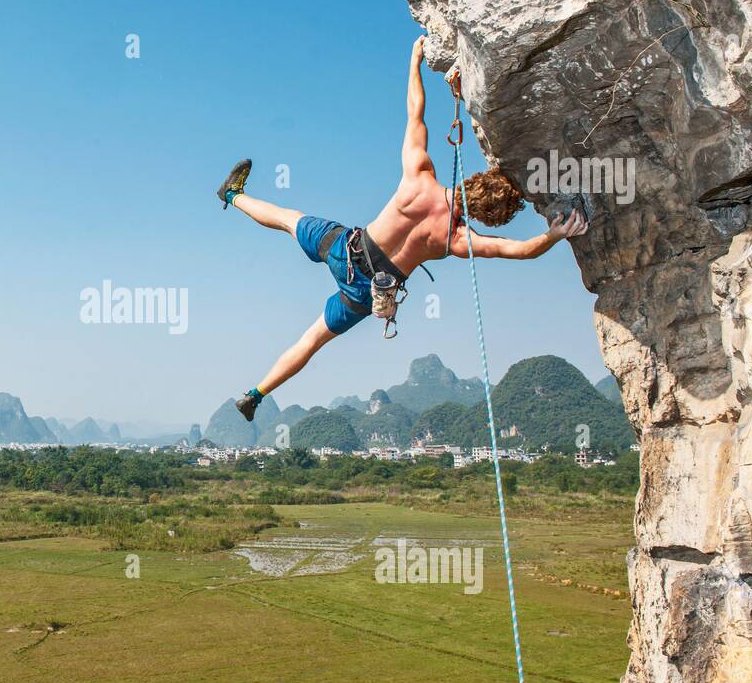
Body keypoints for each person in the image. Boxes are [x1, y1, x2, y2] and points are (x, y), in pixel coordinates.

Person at [218, 35, 589, 421]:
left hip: (346, 249)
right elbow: (521, 250)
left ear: (477, 179)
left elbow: (416, 112)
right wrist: (555, 234)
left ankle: (232, 196)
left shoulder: (419, 177)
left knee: (286, 219)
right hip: (370, 291)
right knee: (312, 341)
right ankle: (255, 394)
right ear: (486, 216)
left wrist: (415, 62)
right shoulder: (458, 239)